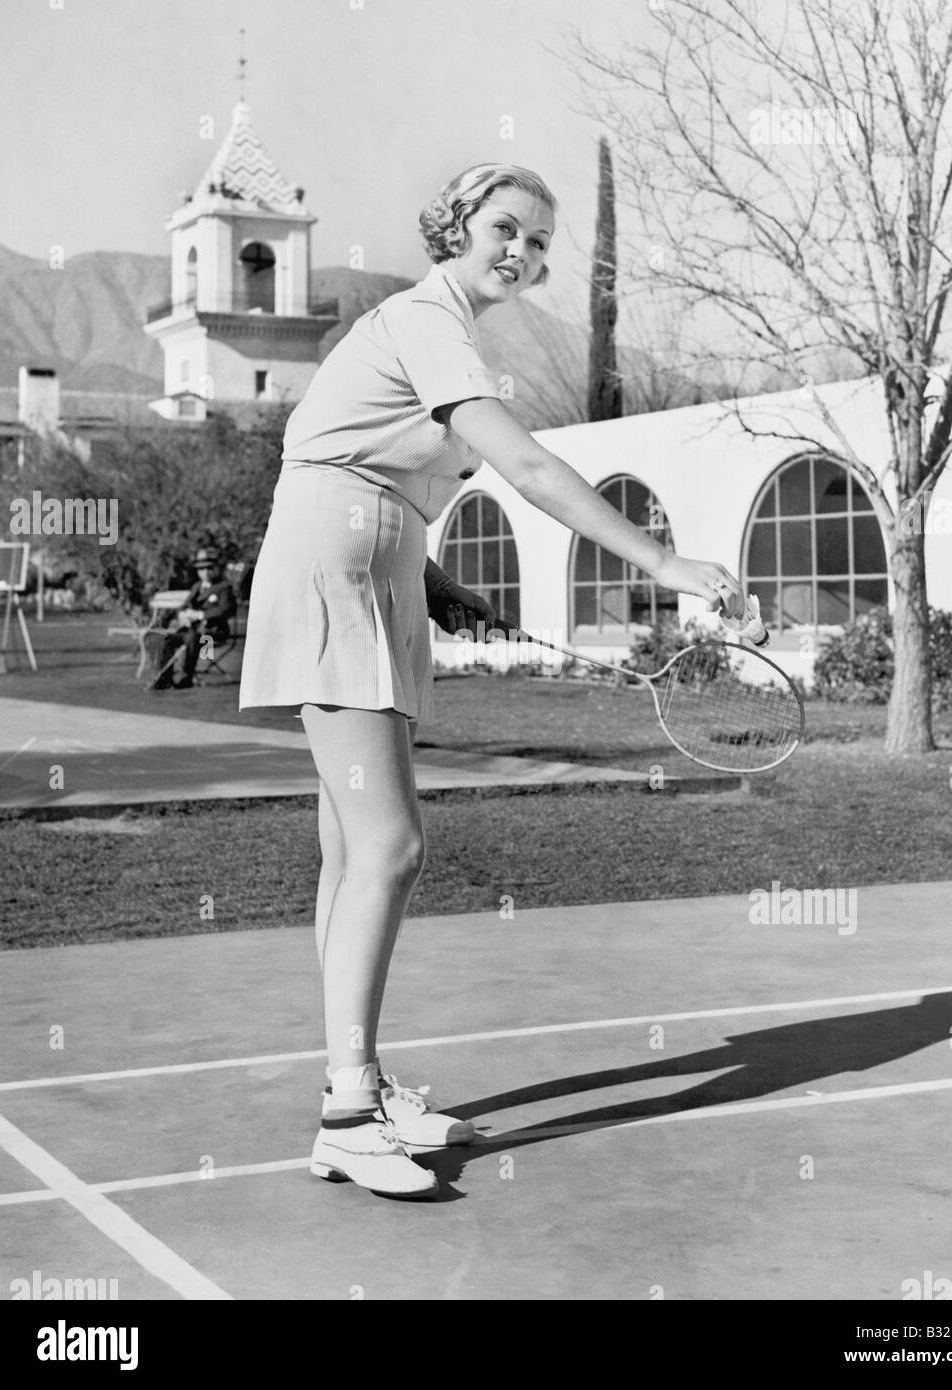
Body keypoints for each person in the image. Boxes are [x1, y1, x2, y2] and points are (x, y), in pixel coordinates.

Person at [238, 162, 747, 1200]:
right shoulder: (427, 319)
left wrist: (431, 576)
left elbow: (366, 465)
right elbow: (526, 467)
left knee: (350, 847)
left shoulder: (439, 332)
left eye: (537, 242)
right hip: (338, 570)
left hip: (371, 562)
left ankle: (362, 1082)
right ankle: (345, 1112)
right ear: (455, 225)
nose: (522, 252)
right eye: (505, 227)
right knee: (391, 844)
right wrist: (661, 563)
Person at [154, 547, 237, 690]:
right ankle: (164, 678)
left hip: (214, 632)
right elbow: (184, 605)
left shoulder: (224, 587)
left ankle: (186, 677)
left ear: (215, 569)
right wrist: (183, 614)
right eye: (201, 569)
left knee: (194, 637)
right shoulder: (197, 586)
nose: (204, 572)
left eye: (208, 568)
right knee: (166, 639)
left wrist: (200, 615)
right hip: (191, 630)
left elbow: (226, 609)